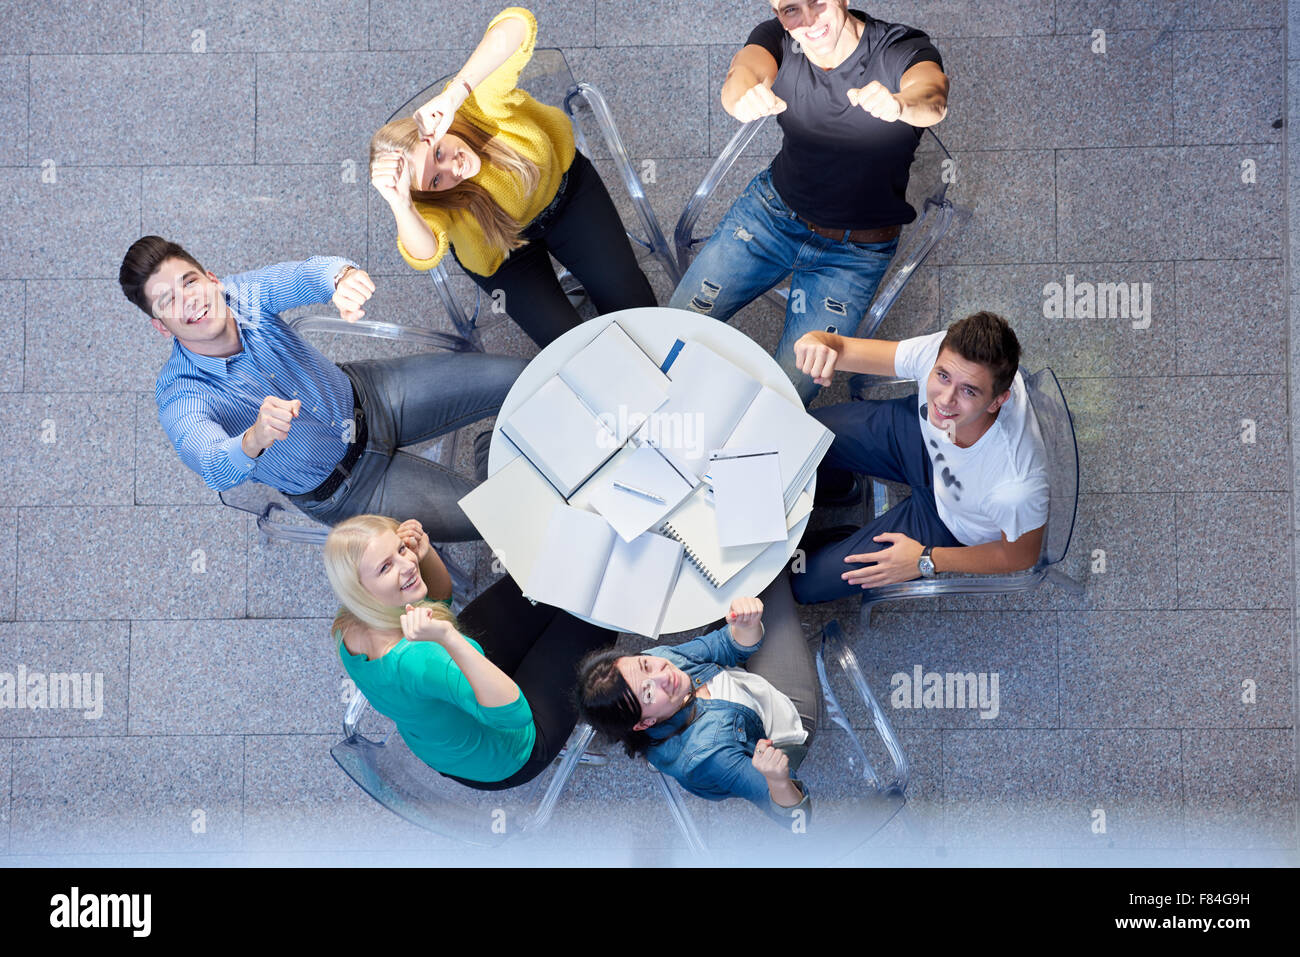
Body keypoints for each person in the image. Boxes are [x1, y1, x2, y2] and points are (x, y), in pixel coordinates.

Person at [119, 235, 526, 541]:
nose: (188, 301)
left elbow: (307, 273)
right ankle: (489, 449)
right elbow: (211, 464)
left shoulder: (242, 293)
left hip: (375, 397)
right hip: (349, 490)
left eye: (190, 282)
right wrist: (253, 438)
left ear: (212, 279)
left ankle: (499, 441)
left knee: (522, 378)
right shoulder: (181, 394)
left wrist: (340, 278)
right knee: (503, 520)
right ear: (160, 326)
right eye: (167, 301)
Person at [668, 1, 949, 405]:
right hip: (770, 217)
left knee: (784, 400)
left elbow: (933, 95)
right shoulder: (777, 39)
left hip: (854, 254)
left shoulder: (897, 46)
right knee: (674, 335)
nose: (809, 21)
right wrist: (739, 97)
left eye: (818, 3)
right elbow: (743, 71)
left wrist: (901, 104)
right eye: (791, 9)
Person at [370, 6, 656, 349]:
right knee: (568, 349)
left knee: (633, 304)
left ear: (437, 128)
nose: (451, 170)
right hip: (503, 257)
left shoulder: (474, 108)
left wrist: (454, 94)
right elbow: (425, 254)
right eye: (434, 180)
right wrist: (401, 203)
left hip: (567, 197)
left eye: (439, 153)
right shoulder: (425, 198)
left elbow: (517, 24)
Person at [327, 514, 616, 788]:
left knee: (543, 581)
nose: (408, 565)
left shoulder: (348, 622)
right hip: (511, 748)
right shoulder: (422, 655)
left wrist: (425, 554)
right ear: (361, 592)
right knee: (601, 608)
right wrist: (450, 639)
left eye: (401, 549)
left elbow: (440, 599)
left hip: (445, 734)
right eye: (385, 567)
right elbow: (514, 716)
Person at [789, 311, 1049, 604]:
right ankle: (840, 487)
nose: (945, 399)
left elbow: (1019, 555)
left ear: (999, 400)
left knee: (804, 584)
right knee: (802, 437)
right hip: (918, 436)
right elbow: (842, 349)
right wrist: (818, 342)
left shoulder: (1015, 486)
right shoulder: (945, 352)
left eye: (968, 391)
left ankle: (835, 539)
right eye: (942, 376)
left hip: (947, 519)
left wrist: (927, 559)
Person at [577, 572, 817, 827]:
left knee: (746, 577)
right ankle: (809, 568)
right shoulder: (709, 757)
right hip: (780, 717)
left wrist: (746, 626)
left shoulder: (656, 665)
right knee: (770, 575)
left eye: (646, 664)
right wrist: (778, 780)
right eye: (648, 693)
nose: (663, 676)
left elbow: (722, 645)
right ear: (645, 723)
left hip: (741, 684)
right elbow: (797, 821)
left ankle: (805, 564)